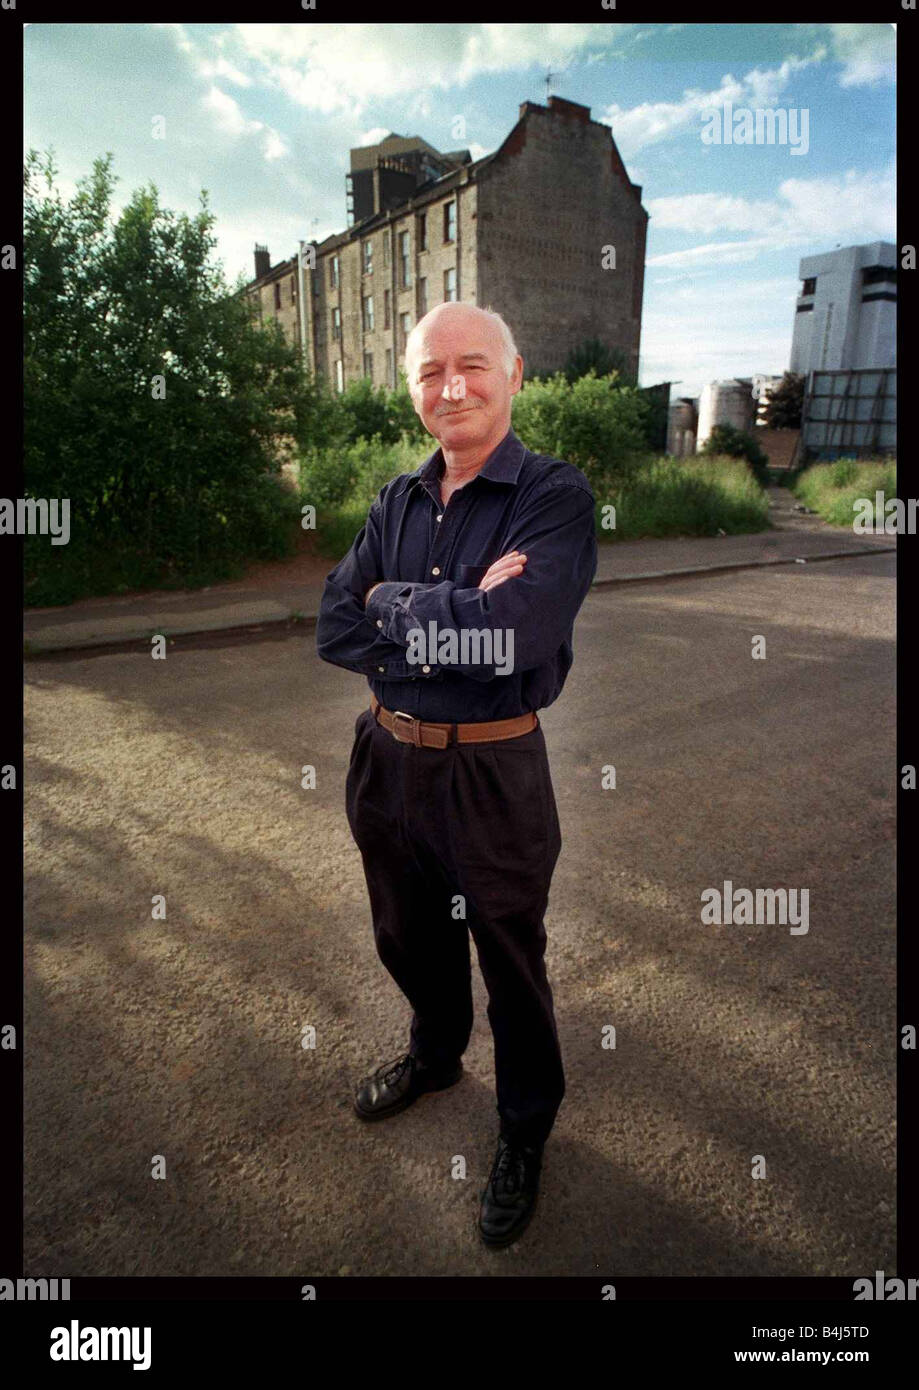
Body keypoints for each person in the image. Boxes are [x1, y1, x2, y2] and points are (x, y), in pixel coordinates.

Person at [316, 301, 597, 1247]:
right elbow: (332, 626)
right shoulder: (394, 500)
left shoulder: (553, 496)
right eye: (430, 372)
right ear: (412, 391)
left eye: (472, 366)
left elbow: (515, 634)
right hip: (385, 761)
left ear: (513, 375)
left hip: (491, 776)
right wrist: (446, 610)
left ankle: (524, 1131)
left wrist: (392, 602)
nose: (452, 388)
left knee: (510, 962)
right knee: (405, 934)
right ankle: (434, 1057)